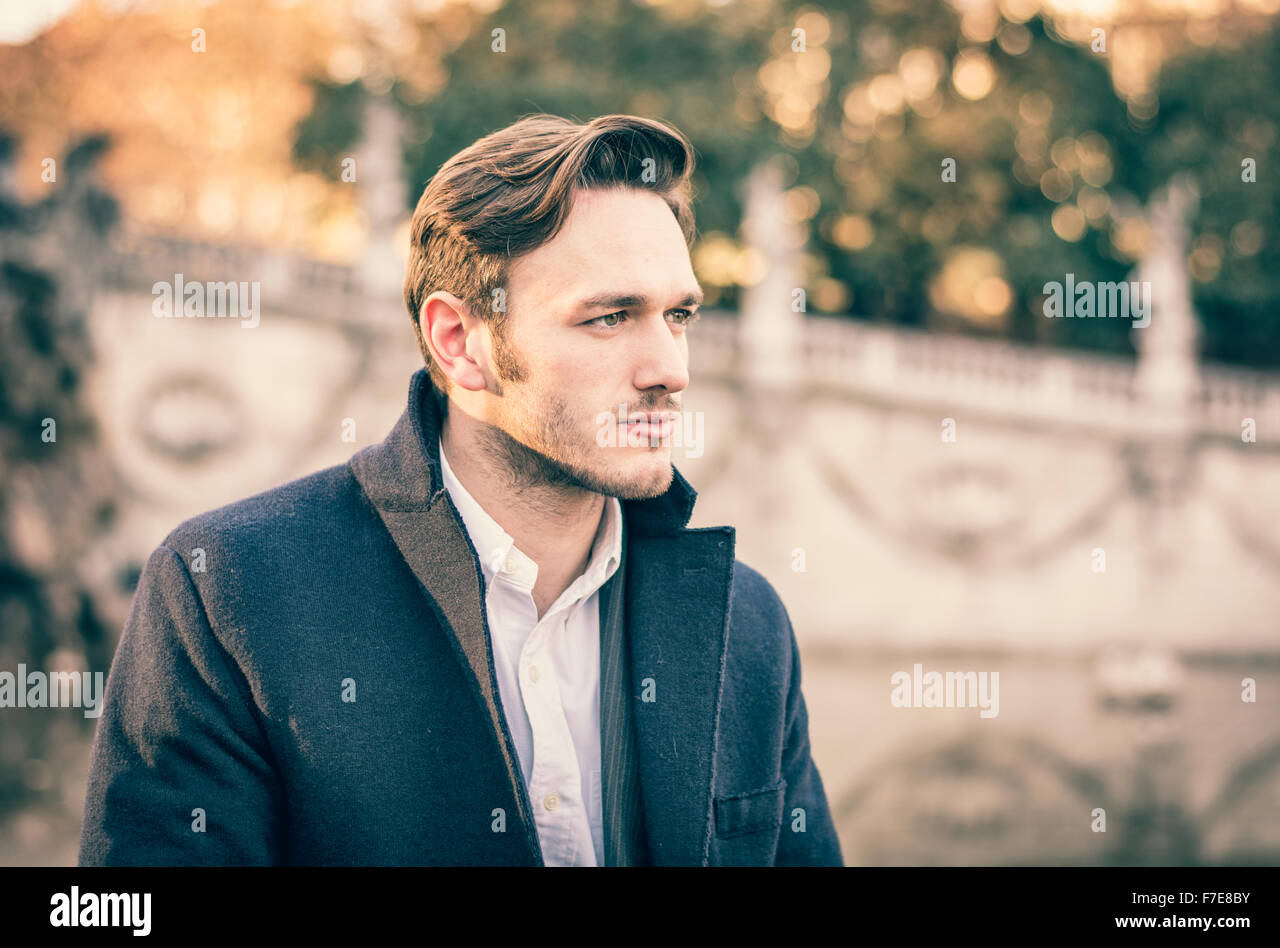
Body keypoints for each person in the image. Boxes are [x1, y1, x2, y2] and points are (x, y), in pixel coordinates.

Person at [78, 113, 843, 866]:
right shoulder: (225, 594)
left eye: (678, 314)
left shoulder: (749, 625)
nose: (671, 368)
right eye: (610, 318)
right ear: (460, 344)